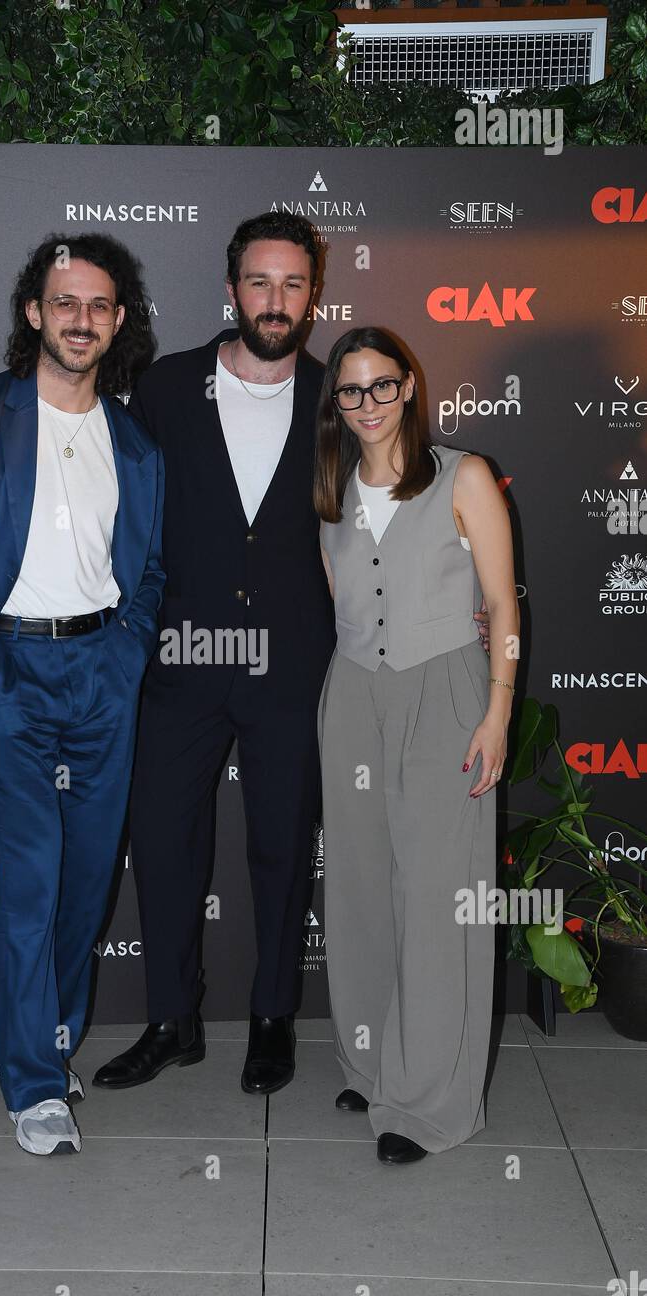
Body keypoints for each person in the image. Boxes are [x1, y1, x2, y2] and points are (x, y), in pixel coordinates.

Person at [0, 233, 165, 1156]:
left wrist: (128, 647)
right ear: (32, 312)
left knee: (88, 881)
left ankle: (39, 1034)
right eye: (64, 302)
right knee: (30, 879)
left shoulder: (132, 442)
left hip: (103, 673)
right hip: (8, 670)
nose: (80, 319)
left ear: (117, 321)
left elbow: (150, 566)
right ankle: (36, 1085)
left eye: (98, 305)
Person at [93, 212, 336, 1095]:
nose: (276, 302)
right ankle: (171, 1020)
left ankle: (273, 1016)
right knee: (162, 842)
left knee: (282, 843)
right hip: (182, 661)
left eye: (293, 284)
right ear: (231, 290)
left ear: (314, 293)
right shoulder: (164, 388)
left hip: (293, 664)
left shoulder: (336, 395)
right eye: (260, 283)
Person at [315, 326, 518, 1163]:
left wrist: (498, 710)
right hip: (355, 694)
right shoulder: (328, 490)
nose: (369, 405)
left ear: (409, 385)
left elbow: (504, 605)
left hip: (447, 692)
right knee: (361, 888)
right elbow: (346, 606)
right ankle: (372, 1062)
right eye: (351, 391)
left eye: (382, 386)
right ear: (337, 403)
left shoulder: (462, 476)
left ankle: (429, 1103)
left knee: (439, 898)